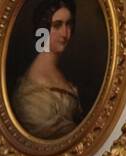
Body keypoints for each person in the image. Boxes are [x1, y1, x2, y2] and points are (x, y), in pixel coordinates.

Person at [10, 0, 82, 139]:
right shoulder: (31, 92)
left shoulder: (57, 71)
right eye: (57, 25)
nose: (65, 33)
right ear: (43, 29)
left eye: (69, 24)